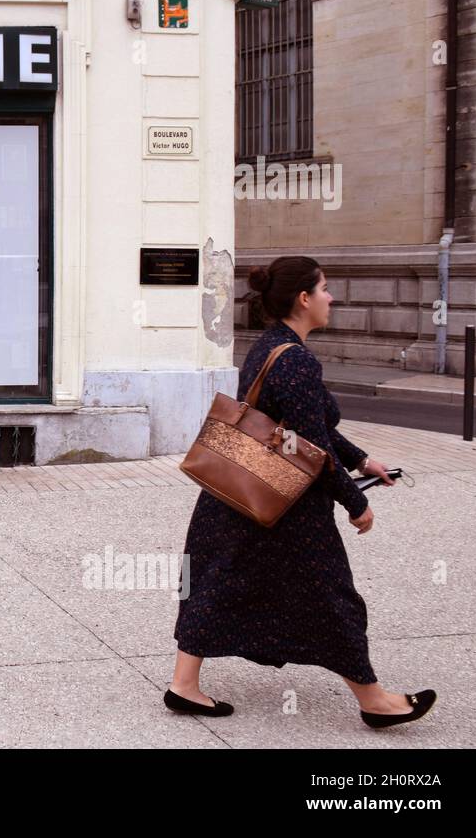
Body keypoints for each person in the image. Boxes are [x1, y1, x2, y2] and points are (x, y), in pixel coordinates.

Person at [165, 256, 437, 729]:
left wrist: (361, 460)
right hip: (285, 505)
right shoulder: (296, 362)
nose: (333, 297)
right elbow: (312, 449)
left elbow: (302, 431)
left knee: (217, 582)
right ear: (304, 298)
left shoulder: (270, 347)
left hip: (240, 494)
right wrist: (357, 502)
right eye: (326, 288)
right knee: (332, 597)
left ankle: (183, 685)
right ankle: (374, 700)